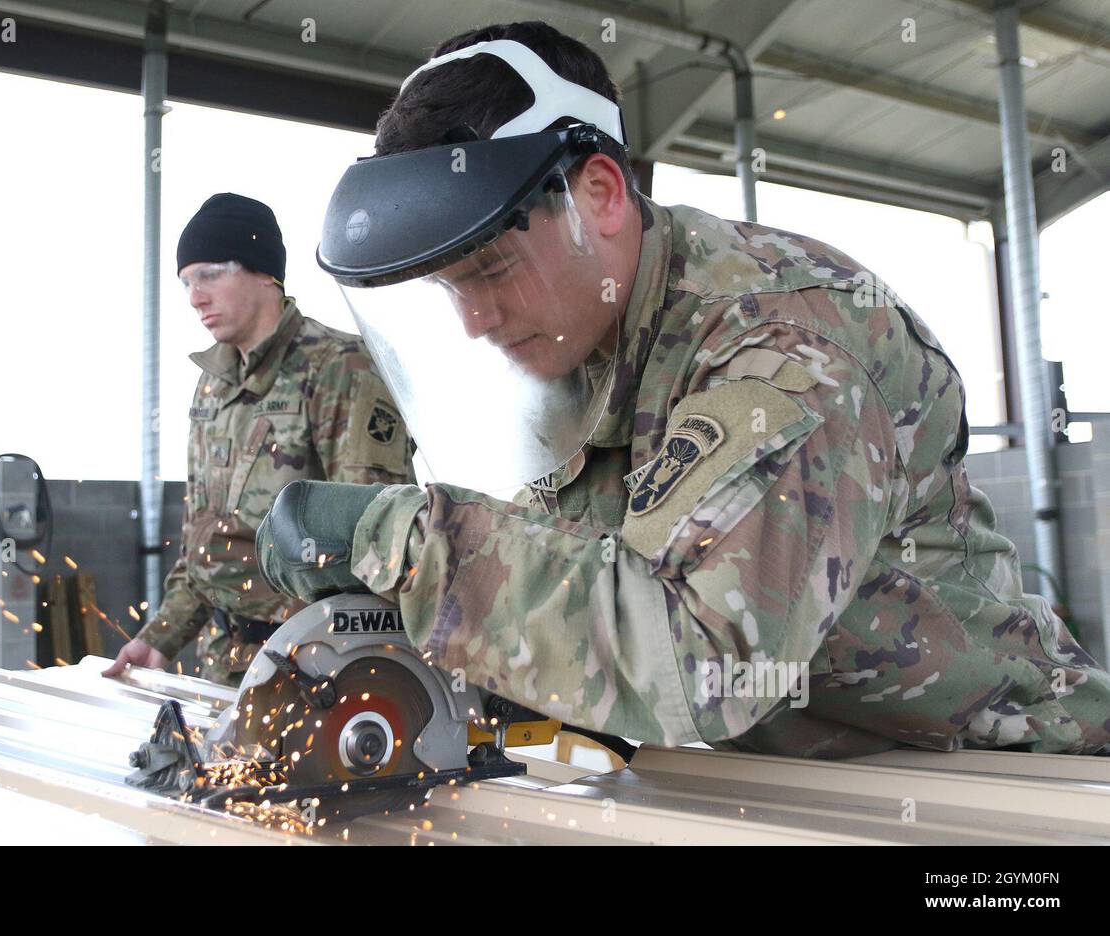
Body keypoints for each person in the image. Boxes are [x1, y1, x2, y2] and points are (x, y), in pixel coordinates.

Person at [255, 23, 1110, 756]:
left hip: (1000, 777)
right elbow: (571, 571)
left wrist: (405, 542)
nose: (476, 321)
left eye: (491, 270)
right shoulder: (584, 344)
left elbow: (705, 659)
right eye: (450, 289)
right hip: (791, 777)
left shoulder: (781, 345)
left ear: (600, 194)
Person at [104, 194, 414, 685]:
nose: (194, 297)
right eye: (186, 281)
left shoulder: (340, 368)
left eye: (209, 274)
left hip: (310, 668)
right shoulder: (214, 383)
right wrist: (159, 639)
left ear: (266, 273)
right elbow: (200, 542)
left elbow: (372, 544)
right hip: (222, 664)